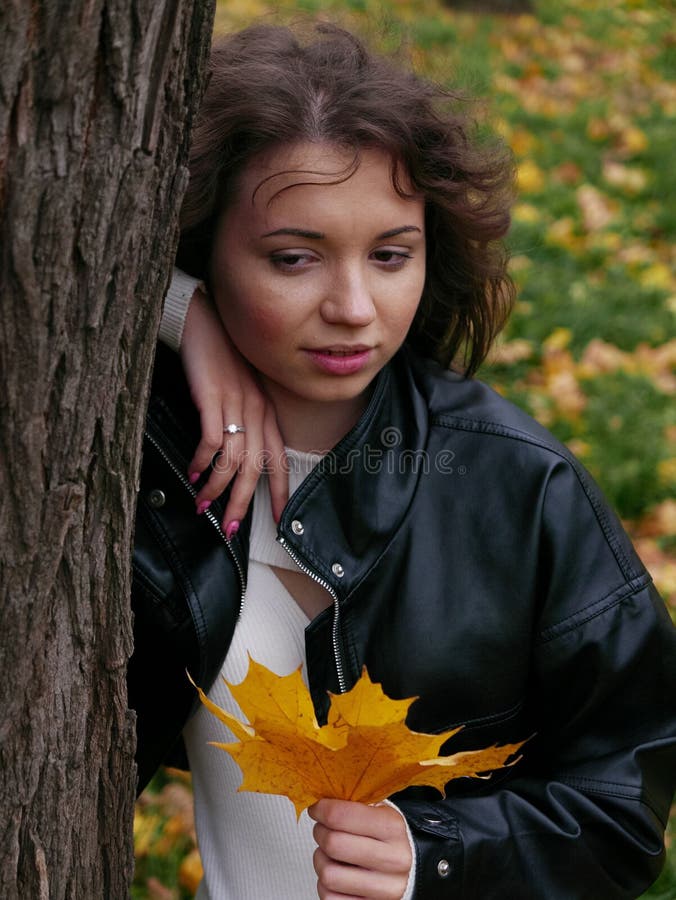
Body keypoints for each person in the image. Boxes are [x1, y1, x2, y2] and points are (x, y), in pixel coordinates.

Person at [129, 21, 676, 900]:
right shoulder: (140, 452)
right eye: (293, 258)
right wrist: (179, 313)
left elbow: (624, 804)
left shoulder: (520, 488)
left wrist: (440, 853)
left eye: (390, 255)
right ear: (204, 246)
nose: (353, 306)